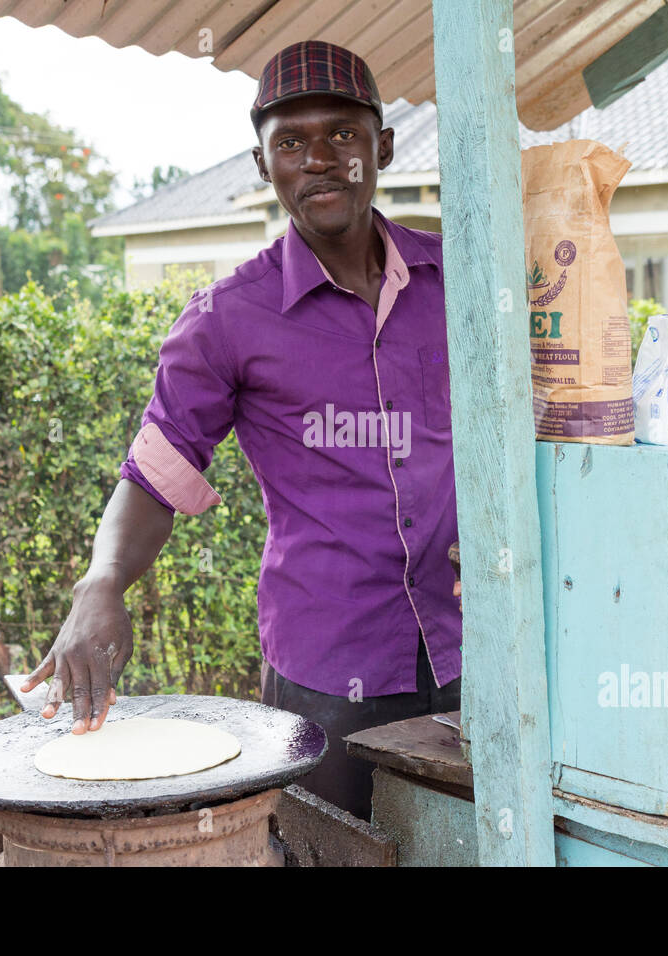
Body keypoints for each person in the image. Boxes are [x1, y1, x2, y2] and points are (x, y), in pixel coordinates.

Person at [23, 39, 461, 821]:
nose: (319, 160)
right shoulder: (228, 320)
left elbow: (536, 423)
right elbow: (155, 472)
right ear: (263, 166)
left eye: (342, 134)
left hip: (478, 646)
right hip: (330, 667)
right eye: (289, 142)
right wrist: (104, 582)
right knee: (332, 853)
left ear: (382, 147)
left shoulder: (460, 280)